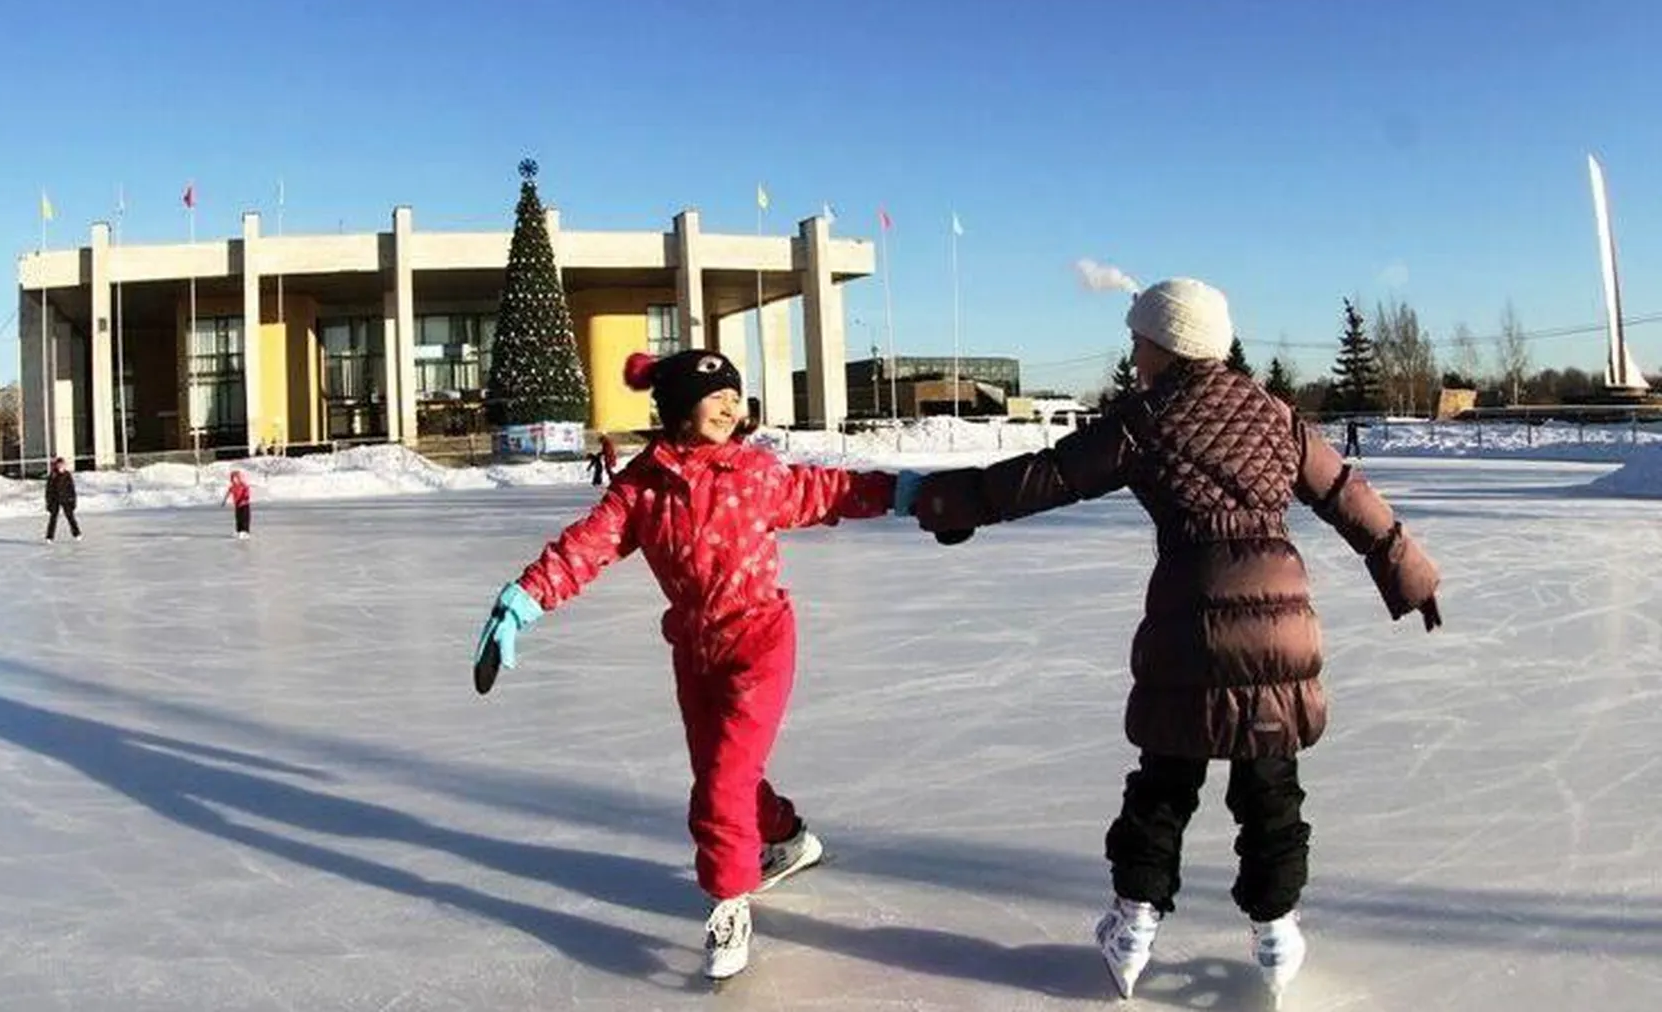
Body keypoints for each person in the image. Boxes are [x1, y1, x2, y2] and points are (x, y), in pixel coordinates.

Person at [913, 278, 1442, 1004]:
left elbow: (1051, 476)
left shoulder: (1146, 419)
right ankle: (1277, 927)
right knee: (1270, 786)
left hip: (1191, 622)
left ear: (1170, 344)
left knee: (1165, 782)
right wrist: (1406, 570)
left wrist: (957, 502)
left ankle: (1132, 924)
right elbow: (1345, 491)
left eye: (1140, 343)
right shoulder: (1274, 414)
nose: (1133, 358)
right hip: (1281, 625)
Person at [472, 349, 922, 982]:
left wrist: (911, 493)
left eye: (736, 396)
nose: (732, 406)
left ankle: (728, 900)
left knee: (720, 785)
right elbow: (586, 547)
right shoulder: (642, 487)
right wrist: (524, 599)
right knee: (725, 773)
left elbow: (831, 489)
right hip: (695, 649)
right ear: (681, 405)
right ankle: (786, 837)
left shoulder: (755, 471)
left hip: (761, 640)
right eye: (717, 397)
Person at [44, 457, 81, 543]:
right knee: (53, 518)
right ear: (56, 465)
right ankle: (49, 537)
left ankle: (77, 533)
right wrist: (48, 502)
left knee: (70, 517)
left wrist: (73, 501)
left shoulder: (67, 475)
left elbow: (71, 488)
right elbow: (48, 490)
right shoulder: (53, 475)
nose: (60, 466)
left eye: (62, 464)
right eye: (58, 464)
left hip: (66, 499)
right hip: (55, 499)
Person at [223, 469, 252, 540]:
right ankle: (239, 531)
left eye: (236, 478)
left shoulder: (243, 485)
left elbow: (246, 493)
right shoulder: (232, 487)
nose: (234, 480)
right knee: (238, 518)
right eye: (233, 478)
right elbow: (228, 493)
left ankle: (245, 531)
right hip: (237, 505)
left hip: (244, 504)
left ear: (239, 478)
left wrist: (245, 499)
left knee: (244, 518)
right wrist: (224, 501)